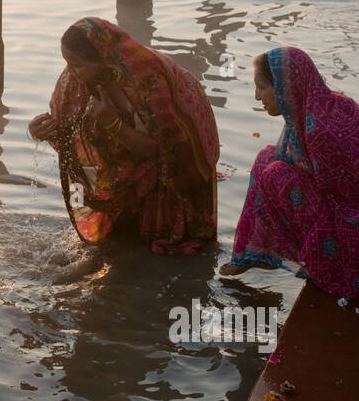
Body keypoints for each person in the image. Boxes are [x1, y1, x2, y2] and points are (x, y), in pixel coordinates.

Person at [219, 47, 359, 302]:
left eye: (262, 87)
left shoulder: (320, 130)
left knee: (275, 174)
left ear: (284, 87)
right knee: (266, 160)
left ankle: (334, 263)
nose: (257, 96)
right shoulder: (312, 108)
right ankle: (258, 253)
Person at [28, 17, 219, 252]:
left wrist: (111, 122)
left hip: (176, 152)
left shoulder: (145, 80)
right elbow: (67, 134)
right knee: (119, 239)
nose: (70, 73)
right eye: (67, 63)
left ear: (102, 59)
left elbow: (156, 149)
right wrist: (41, 131)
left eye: (77, 65)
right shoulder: (73, 81)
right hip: (125, 152)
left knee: (165, 239)